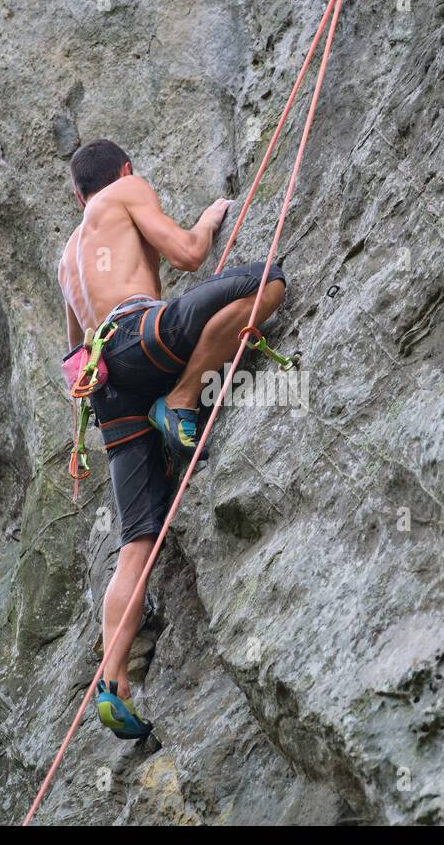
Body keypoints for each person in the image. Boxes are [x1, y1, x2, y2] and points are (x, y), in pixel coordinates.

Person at [56, 139, 287, 738]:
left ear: (77, 193)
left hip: (107, 389)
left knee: (139, 539)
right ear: (123, 173)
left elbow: (75, 353)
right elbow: (185, 254)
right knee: (267, 281)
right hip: (141, 338)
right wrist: (210, 219)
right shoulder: (124, 192)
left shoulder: (67, 258)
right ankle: (183, 402)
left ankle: (112, 677)